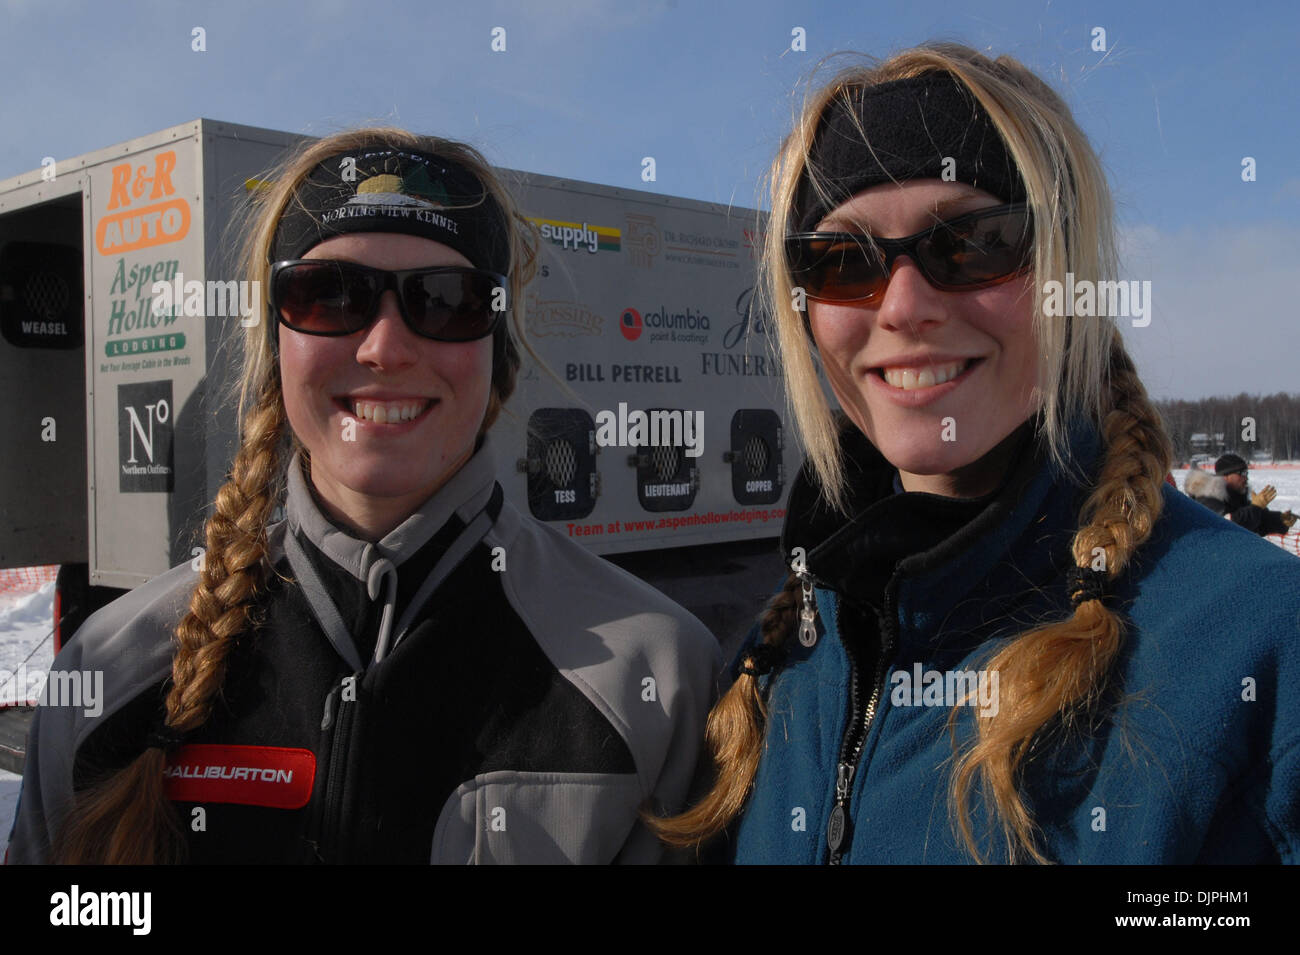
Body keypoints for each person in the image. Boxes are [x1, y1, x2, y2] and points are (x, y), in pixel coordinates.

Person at [653, 43, 1300, 863]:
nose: (904, 305)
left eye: (975, 241)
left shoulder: (1262, 647)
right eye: (844, 261)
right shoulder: (781, 660)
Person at [7, 128, 719, 864]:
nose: (384, 346)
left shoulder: (660, 681)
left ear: (497, 349)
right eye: (329, 296)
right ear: (274, 342)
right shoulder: (111, 675)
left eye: (446, 300)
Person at [1185, 453, 1296, 536]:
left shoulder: (1236, 497)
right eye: (1241, 473)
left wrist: (1280, 520)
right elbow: (1228, 525)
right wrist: (1256, 507)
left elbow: (1259, 522)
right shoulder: (1208, 498)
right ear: (1226, 476)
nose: (1246, 478)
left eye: (1246, 473)